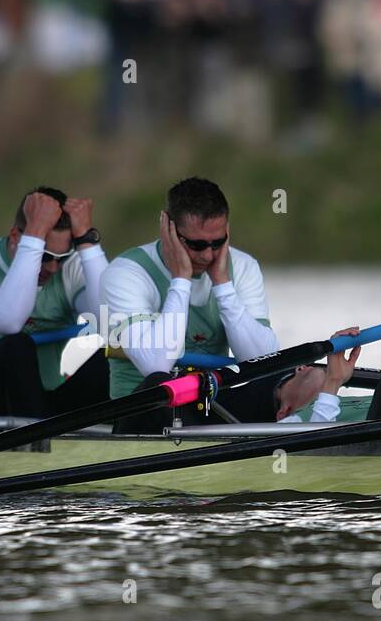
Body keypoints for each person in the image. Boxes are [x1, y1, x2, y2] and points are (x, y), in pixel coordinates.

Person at [101, 177, 281, 434]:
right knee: (159, 383)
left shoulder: (242, 267)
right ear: (169, 229)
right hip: (142, 414)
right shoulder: (126, 272)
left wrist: (222, 284)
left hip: (213, 407)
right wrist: (181, 279)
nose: (208, 255)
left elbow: (263, 364)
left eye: (217, 242)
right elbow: (156, 365)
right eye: (196, 245)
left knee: (282, 382)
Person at [0, 186, 109, 417]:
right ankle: (37, 441)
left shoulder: (71, 266)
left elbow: (114, 320)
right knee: (16, 345)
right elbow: (8, 321)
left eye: (62, 257)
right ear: (18, 237)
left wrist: (88, 241)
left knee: (123, 346)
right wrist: (34, 236)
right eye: (44, 255)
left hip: (45, 408)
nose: (52, 268)